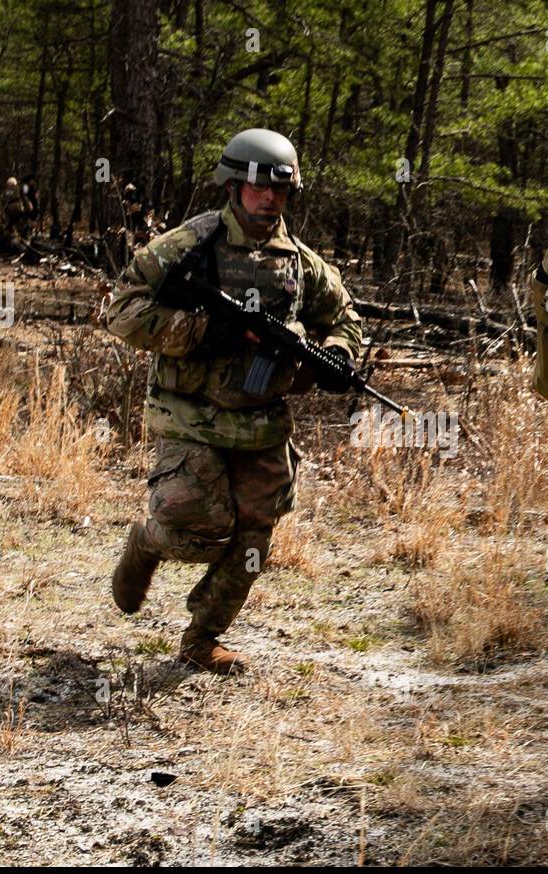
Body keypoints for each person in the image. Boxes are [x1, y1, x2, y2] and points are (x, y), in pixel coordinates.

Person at [104, 129, 363, 674]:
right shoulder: (187, 246)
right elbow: (122, 310)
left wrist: (337, 352)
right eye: (259, 187)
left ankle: (201, 639)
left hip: (263, 425)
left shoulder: (301, 263)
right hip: (191, 418)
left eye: (281, 191)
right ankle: (148, 543)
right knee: (193, 527)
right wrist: (202, 333)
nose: (270, 199)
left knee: (252, 543)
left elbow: (343, 317)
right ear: (234, 185)